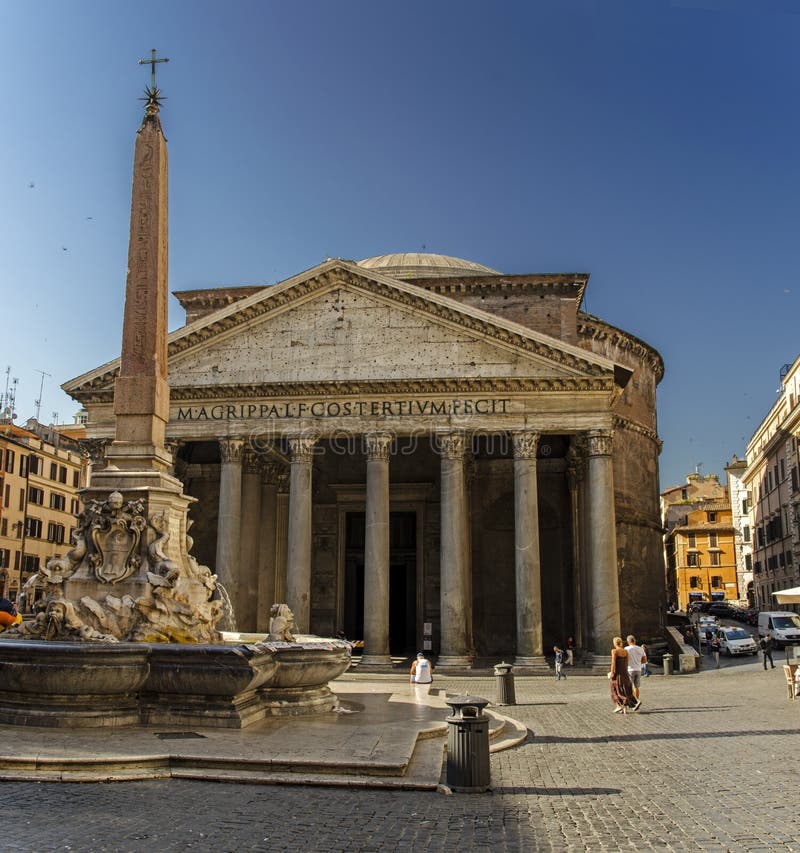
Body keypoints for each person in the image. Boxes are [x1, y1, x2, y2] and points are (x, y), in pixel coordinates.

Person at [609, 636, 639, 713]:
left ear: (615, 643)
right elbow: (626, 663)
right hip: (624, 673)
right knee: (624, 689)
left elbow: (613, 663)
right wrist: (625, 671)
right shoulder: (625, 651)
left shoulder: (614, 651)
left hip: (617, 673)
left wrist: (612, 672)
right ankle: (625, 709)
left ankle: (618, 706)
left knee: (614, 689)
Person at [624, 635, 647, 703]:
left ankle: (631, 701)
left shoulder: (626, 649)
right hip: (638, 669)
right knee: (636, 687)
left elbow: (624, 660)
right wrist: (638, 662)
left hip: (630, 669)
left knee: (629, 687)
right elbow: (644, 660)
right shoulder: (640, 649)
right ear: (635, 641)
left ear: (628, 641)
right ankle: (636, 700)